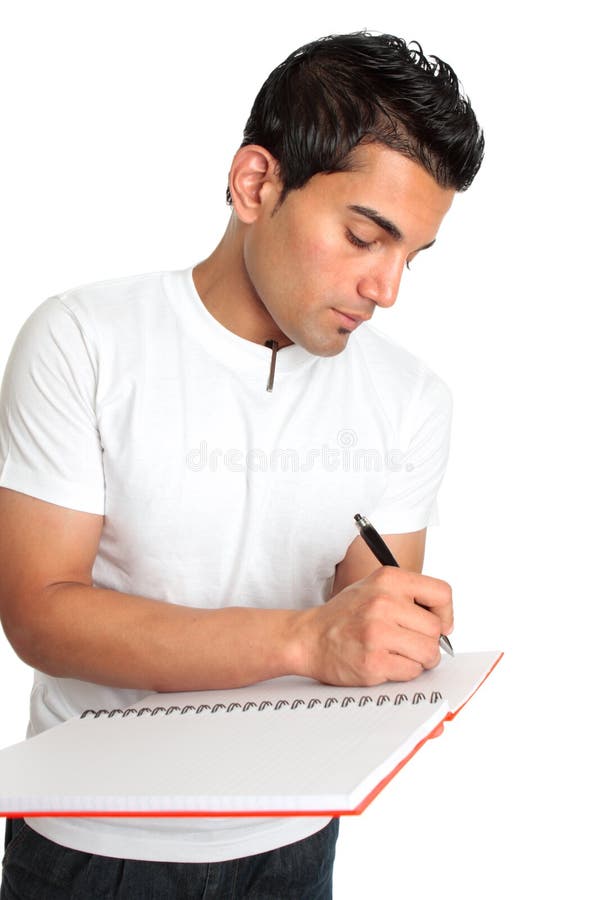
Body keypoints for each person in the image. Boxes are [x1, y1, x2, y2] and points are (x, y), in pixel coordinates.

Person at [0, 29, 484, 900]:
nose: (388, 289)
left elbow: (363, 626)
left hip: (295, 840)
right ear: (256, 183)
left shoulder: (413, 398)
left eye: (411, 254)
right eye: (364, 235)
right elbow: (39, 614)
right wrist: (305, 637)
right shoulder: (82, 340)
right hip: (95, 835)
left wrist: (396, 643)